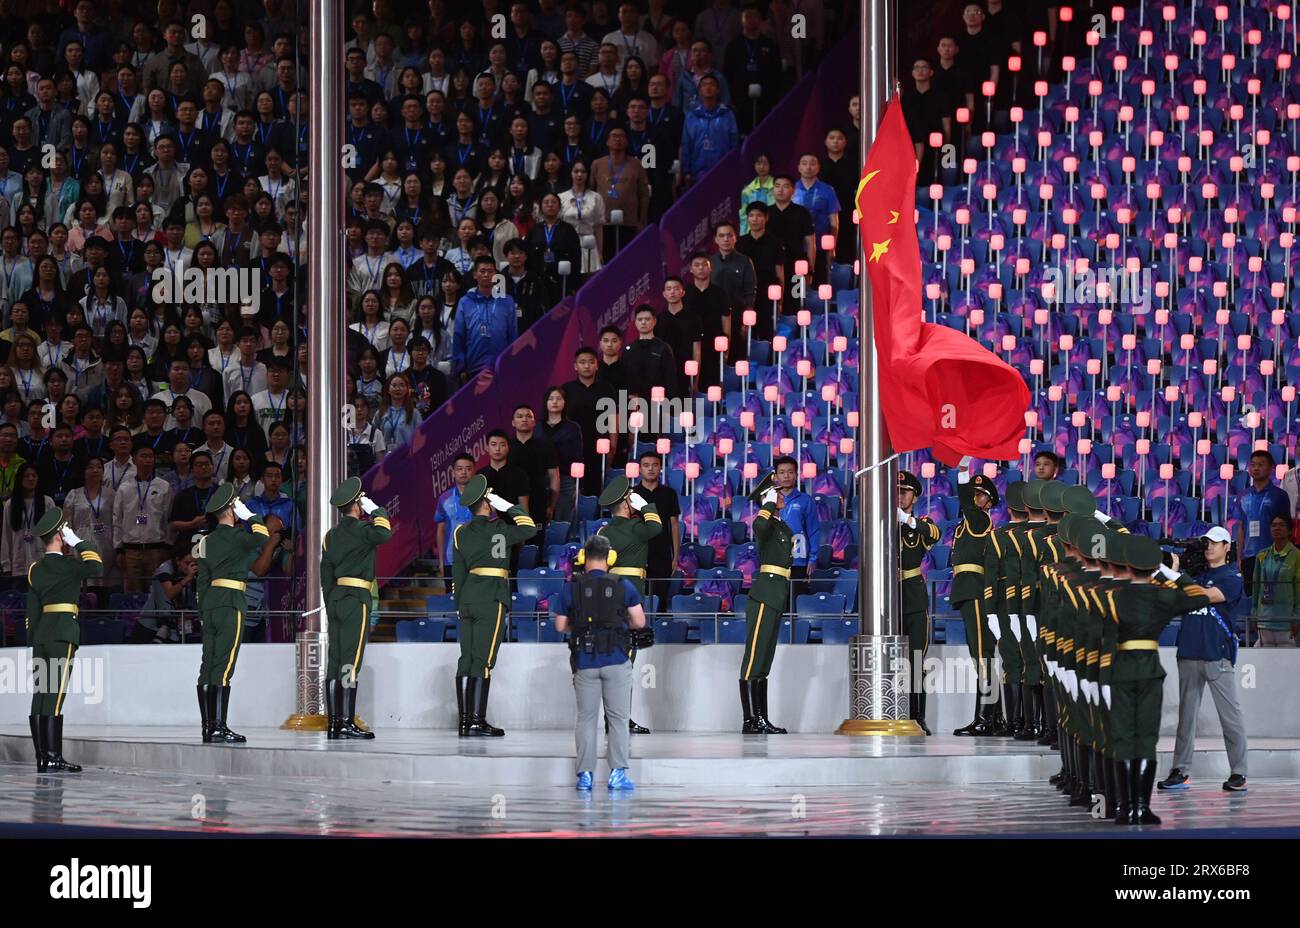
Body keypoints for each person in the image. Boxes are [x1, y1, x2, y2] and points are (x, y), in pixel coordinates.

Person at [1109, 535, 1214, 825]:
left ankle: (1125, 807)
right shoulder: (1162, 593)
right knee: (1145, 739)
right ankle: (1141, 807)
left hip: (1120, 668)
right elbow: (1199, 595)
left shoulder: (1113, 593)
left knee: (1123, 738)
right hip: (1150, 669)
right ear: (1153, 566)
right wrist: (1171, 574)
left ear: (1128, 564)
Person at [554, 533, 647, 791]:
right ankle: (617, 775)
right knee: (618, 718)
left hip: (585, 661)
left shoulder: (572, 586)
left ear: (585, 557)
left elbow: (561, 625)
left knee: (585, 719)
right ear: (608, 558)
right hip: (617, 659)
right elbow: (640, 622)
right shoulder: (623, 585)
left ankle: (585, 776)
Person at [1160, 525, 1249, 794]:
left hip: (1216, 655)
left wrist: (1175, 575)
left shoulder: (1232, 577)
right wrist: (1173, 575)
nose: (1210, 547)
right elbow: (1174, 597)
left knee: (1230, 717)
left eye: (1216, 542)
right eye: (1207, 542)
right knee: (1186, 717)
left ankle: (1239, 772)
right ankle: (1180, 770)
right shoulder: (1194, 574)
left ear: (1227, 547)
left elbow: (1207, 596)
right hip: (1188, 651)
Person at [452, 474, 539, 736]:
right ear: (488, 504)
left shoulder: (460, 532)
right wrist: (507, 505)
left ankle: (465, 721)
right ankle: (477, 720)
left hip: (467, 598)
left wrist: (459, 603)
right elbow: (529, 527)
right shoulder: (500, 529)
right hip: (492, 597)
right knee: (483, 661)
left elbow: (457, 574)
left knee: (466, 659)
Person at [194, 483, 275, 744]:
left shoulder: (205, 541)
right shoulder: (239, 537)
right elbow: (263, 536)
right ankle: (218, 726)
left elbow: (201, 581)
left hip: (211, 603)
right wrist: (250, 515)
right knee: (224, 666)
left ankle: (208, 727)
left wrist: (203, 610)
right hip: (231, 602)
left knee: (208, 665)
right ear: (231, 509)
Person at [26, 508, 102, 772]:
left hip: (41, 637)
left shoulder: (35, 569)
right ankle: (53, 756)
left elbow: (32, 611)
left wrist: (34, 640)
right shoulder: (71, 566)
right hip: (62, 634)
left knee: (41, 695)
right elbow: (96, 566)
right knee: (55, 697)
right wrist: (79, 542)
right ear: (60, 535)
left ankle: (42, 757)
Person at [320, 477, 393, 739]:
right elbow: (385, 532)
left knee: (335, 661)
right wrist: (377, 510)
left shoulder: (330, 536)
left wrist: (331, 602)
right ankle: (347, 722)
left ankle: (333, 723)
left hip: (336, 598)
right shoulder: (363, 530)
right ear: (358, 505)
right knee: (350, 662)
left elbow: (325, 575)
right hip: (356, 597)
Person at [595, 474, 662, 734]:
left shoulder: (604, 531)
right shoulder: (636, 527)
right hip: (631, 594)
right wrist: (644, 503)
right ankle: (618, 718)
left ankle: (615, 718)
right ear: (626, 502)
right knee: (626, 659)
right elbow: (655, 526)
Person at [950, 456, 999, 735]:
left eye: (981, 495)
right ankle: (992, 717)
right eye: (975, 494)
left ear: (988, 503)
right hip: (968, 589)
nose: (975, 498)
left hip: (977, 590)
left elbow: (965, 500)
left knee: (983, 655)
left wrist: (963, 472)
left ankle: (985, 718)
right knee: (980, 655)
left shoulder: (978, 520)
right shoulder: (968, 523)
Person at [739, 472, 791, 734]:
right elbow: (759, 527)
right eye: (776, 493)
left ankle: (761, 718)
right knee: (754, 659)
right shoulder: (766, 522)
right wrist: (767, 504)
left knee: (764, 660)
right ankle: (750, 720)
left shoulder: (780, 525)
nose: (781, 496)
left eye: (780, 493)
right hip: (764, 593)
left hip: (777, 593)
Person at [898, 470, 941, 734]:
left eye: (905, 491)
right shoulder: (882, 518)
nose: (900, 496)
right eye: (897, 491)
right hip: (887, 596)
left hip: (912, 596)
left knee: (915, 660)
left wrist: (909, 521)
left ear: (915, 496)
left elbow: (934, 533)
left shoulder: (919, 522)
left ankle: (917, 716)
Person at [1233, 449, 1290, 599]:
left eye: (1261, 464)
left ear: (1271, 468)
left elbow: (1286, 527)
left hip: (1274, 556)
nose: (1256, 468)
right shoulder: (1242, 496)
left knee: (1272, 599)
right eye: (1253, 465)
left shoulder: (1280, 496)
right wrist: (1239, 558)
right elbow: (1240, 527)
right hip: (1249, 557)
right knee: (1251, 599)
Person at [452, 255, 518, 383]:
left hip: (501, 366)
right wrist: (461, 367)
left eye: (490, 271)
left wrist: (511, 363)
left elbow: (513, 335)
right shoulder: (465, 301)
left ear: (496, 274)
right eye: (482, 271)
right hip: (473, 367)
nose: (486, 275)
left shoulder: (507, 301)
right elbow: (459, 335)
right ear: (475, 275)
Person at [1251, 514, 1299, 646]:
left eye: (1282, 525)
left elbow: (1298, 590)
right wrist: (1255, 614)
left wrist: (1296, 618)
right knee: (1264, 663)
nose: (1277, 528)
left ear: (1290, 530)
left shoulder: (1297, 556)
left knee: (1287, 664)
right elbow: (1256, 588)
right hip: (1264, 620)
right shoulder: (1262, 555)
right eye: (1273, 525)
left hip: (1286, 620)